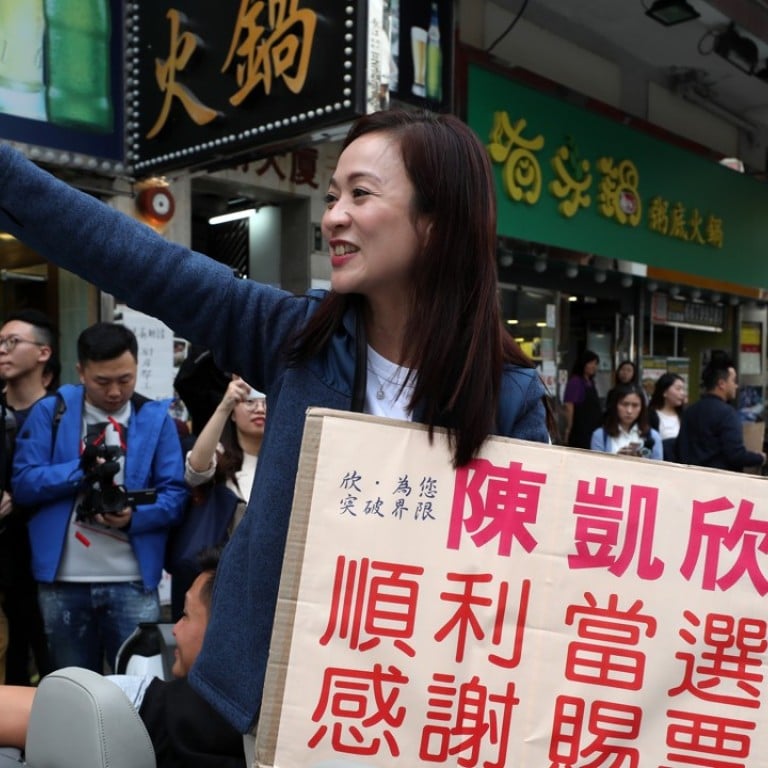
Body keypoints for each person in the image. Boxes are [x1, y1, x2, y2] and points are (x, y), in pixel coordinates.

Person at [0, 109, 552, 736]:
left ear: (437, 221)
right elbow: (137, 260)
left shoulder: (508, 397)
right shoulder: (296, 337)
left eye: (361, 194)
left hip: (407, 716)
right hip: (258, 709)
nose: (334, 216)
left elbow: (525, 587)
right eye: (333, 195)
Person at [11, 322, 187, 673]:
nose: (115, 392)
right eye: (102, 381)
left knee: (142, 691)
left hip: (133, 580)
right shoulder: (52, 411)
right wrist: (79, 471)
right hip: (62, 581)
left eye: (125, 379)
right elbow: (24, 483)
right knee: (73, 690)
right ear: (81, 372)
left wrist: (134, 517)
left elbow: (175, 495)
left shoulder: (155, 419)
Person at [0, 546, 245, 768]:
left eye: (185, 615)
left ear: (221, 633)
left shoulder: (147, 710)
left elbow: (17, 711)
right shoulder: (261, 722)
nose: (174, 629)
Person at [169, 375, 266, 618]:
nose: (260, 409)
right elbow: (195, 470)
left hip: (266, 577)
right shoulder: (219, 455)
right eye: (250, 402)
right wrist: (224, 405)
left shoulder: (286, 462)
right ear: (234, 411)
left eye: (266, 402)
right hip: (219, 580)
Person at [0, 309, 58, 685]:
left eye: (12, 342)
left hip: (46, 549)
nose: (2, 350)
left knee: (49, 647)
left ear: (43, 353)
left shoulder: (62, 413)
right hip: (3, 550)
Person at [677, 353, 766, 471]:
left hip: (691, 479)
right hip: (720, 482)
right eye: (733, 381)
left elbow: (680, 449)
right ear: (721, 384)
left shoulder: (690, 411)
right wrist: (760, 458)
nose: (736, 385)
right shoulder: (728, 414)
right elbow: (736, 455)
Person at [590, 382, 662, 460]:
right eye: (624, 404)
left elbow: (658, 469)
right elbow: (596, 467)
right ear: (615, 405)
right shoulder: (600, 435)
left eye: (635, 405)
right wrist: (616, 458)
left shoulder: (653, 436)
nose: (629, 411)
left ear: (642, 408)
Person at [563, 349, 602, 449]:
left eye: (596, 363)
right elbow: (569, 405)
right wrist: (569, 428)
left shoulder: (590, 382)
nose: (594, 366)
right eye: (591, 363)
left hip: (592, 428)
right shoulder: (576, 381)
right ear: (583, 363)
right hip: (580, 429)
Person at [647, 372, 686, 461]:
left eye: (683, 389)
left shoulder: (685, 415)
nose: (682, 393)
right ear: (664, 392)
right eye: (678, 389)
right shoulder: (651, 415)